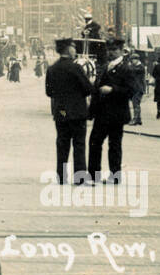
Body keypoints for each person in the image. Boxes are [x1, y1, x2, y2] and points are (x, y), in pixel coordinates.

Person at [45, 37, 92, 185]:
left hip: (61, 113)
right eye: (73, 47)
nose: (75, 49)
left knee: (62, 145)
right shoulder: (76, 68)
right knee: (79, 145)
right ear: (68, 49)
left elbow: (49, 92)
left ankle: (61, 177)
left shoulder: (52, 69)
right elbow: (87, 89)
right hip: (77, 113)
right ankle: (79, 177)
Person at [88, 38, 131, 184]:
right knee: (95, 142)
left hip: (116, 113)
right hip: (101, 113)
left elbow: (133, 90)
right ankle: (94, 175)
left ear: (121, 51)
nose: (110, 53)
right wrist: (91, 110)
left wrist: (112, 90)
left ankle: (114, 175)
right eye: (109, 50)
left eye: (113, 50)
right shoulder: (104, 66)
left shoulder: (126, 68)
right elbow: (96, 88)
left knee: (114, 145)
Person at [127, 53, 146, 126]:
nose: (132, 61)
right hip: (135, 88)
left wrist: (128, 65)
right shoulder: (136, 66)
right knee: (136, 103)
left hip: (138, 88)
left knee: (136, 104)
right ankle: (138, 119)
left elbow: (132, 70)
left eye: (132, 60)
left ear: (136, 59)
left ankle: (135, 119)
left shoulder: (140, 67)